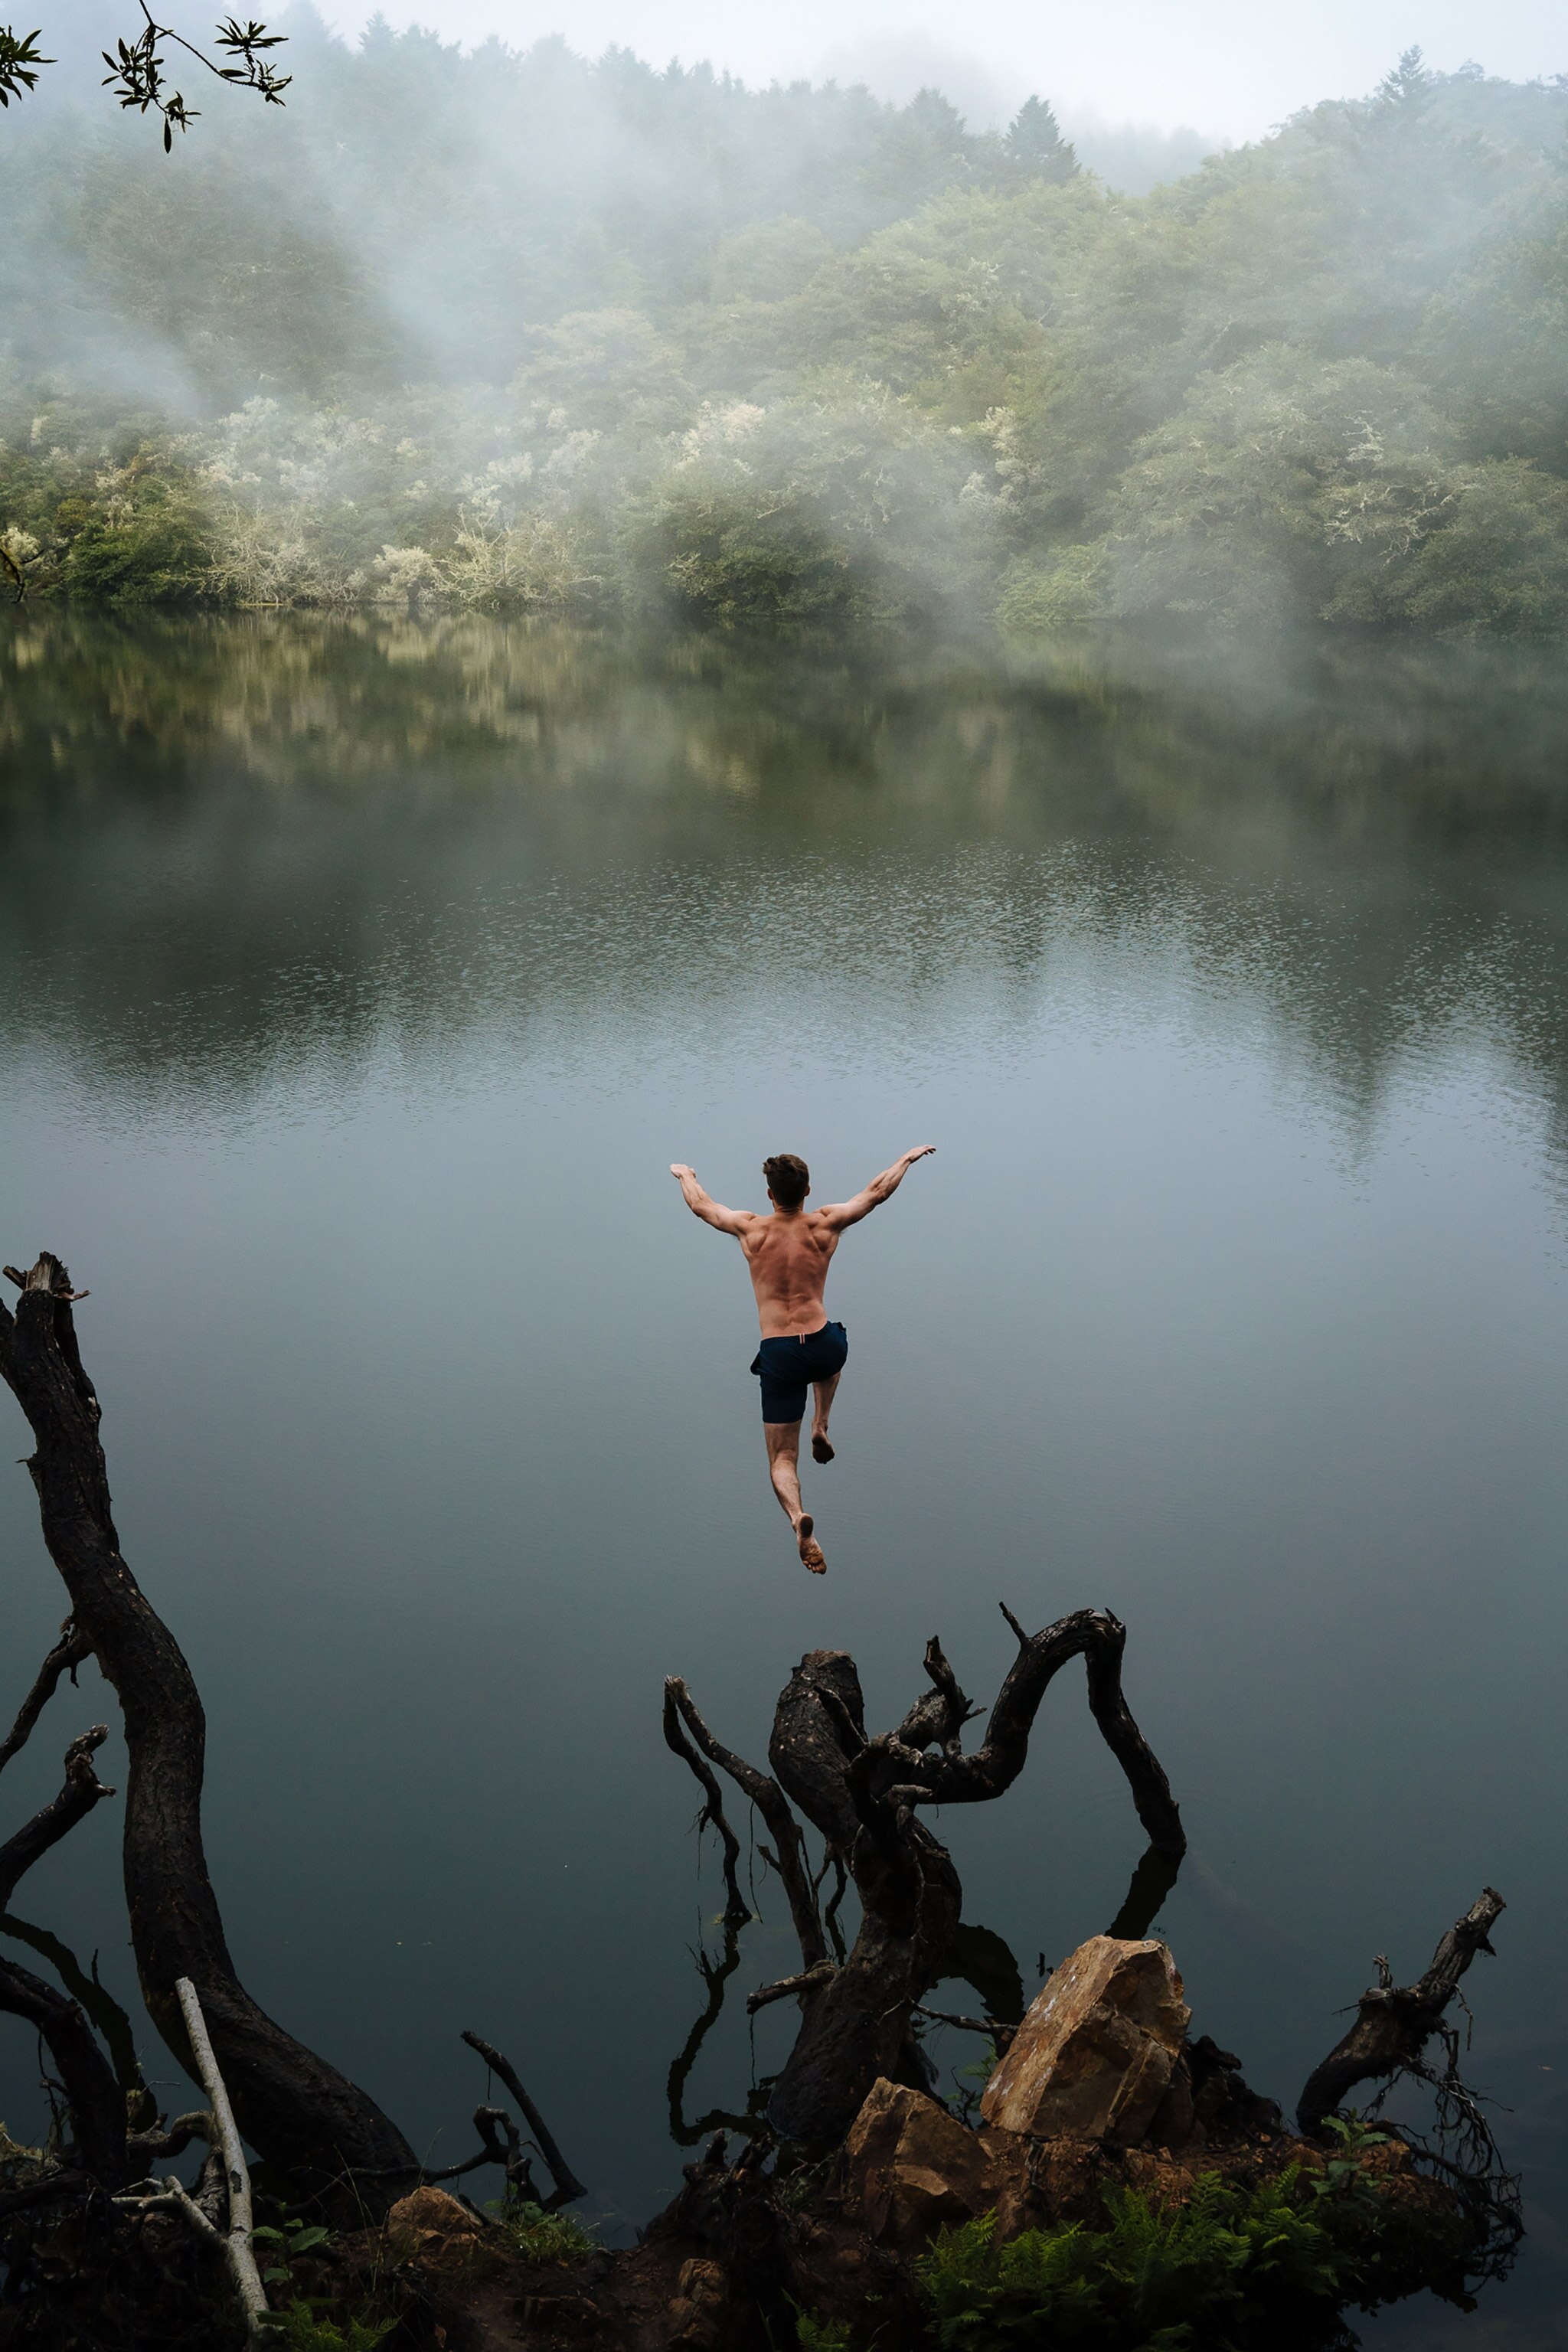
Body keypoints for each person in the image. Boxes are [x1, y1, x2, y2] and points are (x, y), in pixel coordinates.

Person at [669, 1146, 936, 1573]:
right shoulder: (824, 1224)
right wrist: (905, 1160)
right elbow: (877, 1191)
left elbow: (702, 1206)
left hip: (779, 1353)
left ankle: (798, 1520)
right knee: (834, 1349)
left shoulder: (751, 1230)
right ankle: (822, 1423)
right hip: (820, 1342)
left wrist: (685, 1174)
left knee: (782, 1460)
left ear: (770, 1194)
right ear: (807, 1191)